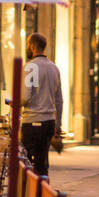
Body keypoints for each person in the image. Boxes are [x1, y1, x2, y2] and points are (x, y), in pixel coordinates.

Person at [21, 32, 63, 177]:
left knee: (28, 162)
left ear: (32, 46)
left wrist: (15, 102)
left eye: (28, 44)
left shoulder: (30, 67)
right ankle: (43, 190)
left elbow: (26, 97)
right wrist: (57, 125)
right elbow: (59, 99)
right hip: (49, 122)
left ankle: (33, 195)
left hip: (32, 121)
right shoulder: (54, 68)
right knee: (42, 161)